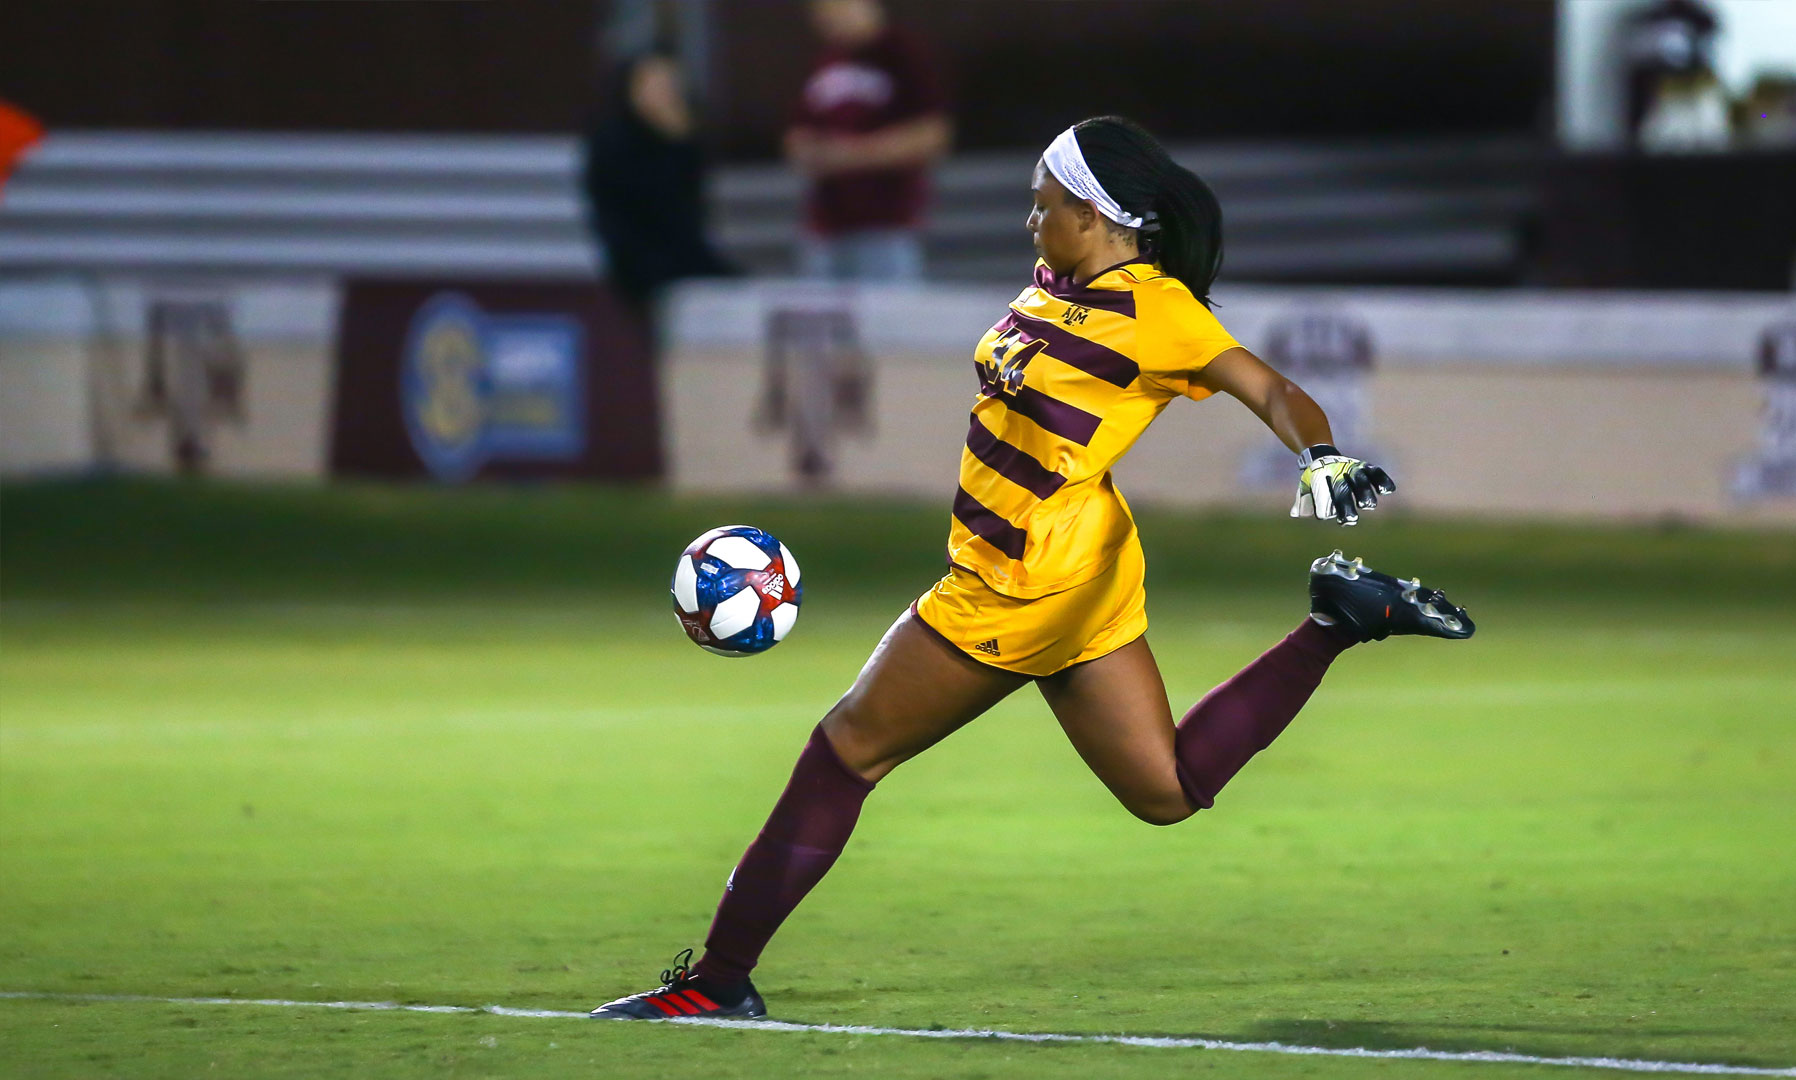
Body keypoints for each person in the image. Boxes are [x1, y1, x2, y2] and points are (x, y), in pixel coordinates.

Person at [591, 116, 1475, 1021]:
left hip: (1016, 583)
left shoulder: (1158, 308)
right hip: (1079, 565)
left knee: (843, 754)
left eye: (1043, 204)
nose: (1030, 221)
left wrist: (1318, 455)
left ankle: (717, 983)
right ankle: (1338, 621)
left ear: (1093, 214)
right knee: (1165, 792)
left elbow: (1272, 389)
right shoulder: (1061, 284)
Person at [785, 0, 950, 281]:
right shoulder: (824, 62)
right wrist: (808, 152)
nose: (830, 18)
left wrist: (851, 155)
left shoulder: (902, 56)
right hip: (826, 224)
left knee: (889, 315)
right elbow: (798, 132)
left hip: (886, 223)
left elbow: (931, 135)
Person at [583, 51, 735, 312]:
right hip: (638, 256)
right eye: (653, 83)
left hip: (686, 252)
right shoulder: (614, 139)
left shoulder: (683, 136)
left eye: (669, 83)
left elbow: (688, 208)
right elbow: (636, 206)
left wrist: (680, 141)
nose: (663, 91)